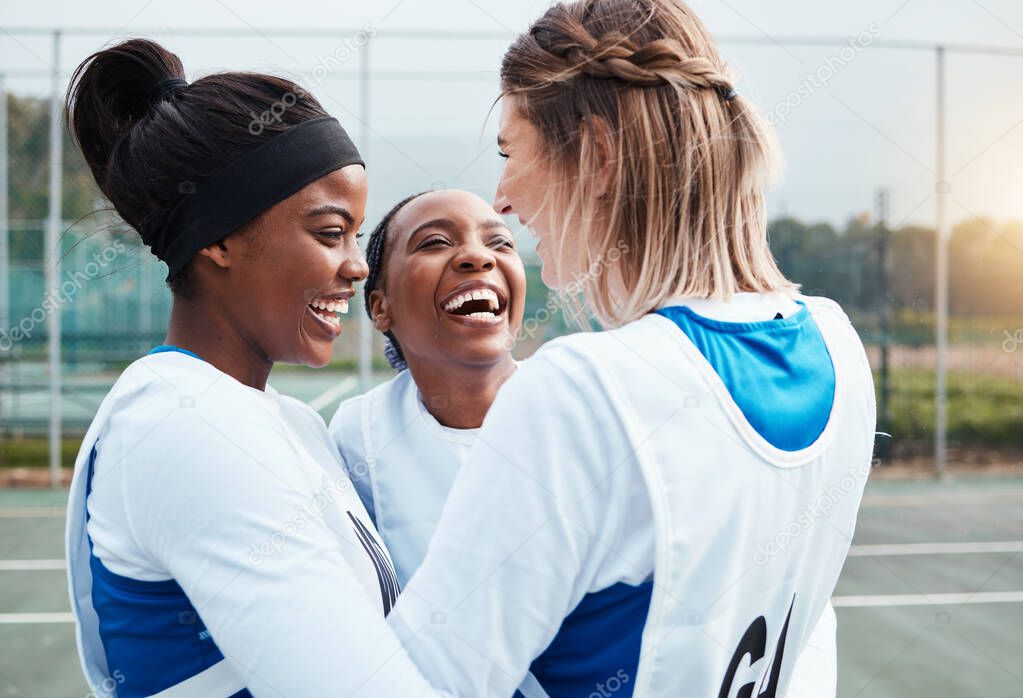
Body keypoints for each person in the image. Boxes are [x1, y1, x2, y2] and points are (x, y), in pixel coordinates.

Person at [385, 1, 875, 696]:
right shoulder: (836, 345)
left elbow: (414, 682)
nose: (501, 200)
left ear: (599, 154)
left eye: (509, 153)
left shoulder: (585, 390)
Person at [333, 186, 840, 697]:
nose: (477, 256)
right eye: (435, 242)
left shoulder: (595, 411)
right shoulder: (362, 433)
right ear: (380, 307)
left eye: (502, 243)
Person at [64, 39, 445, 697]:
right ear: (219, 238)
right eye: (329, 233)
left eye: (356, 236)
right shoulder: (184, 422)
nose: (356, 264)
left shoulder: (288, 421)